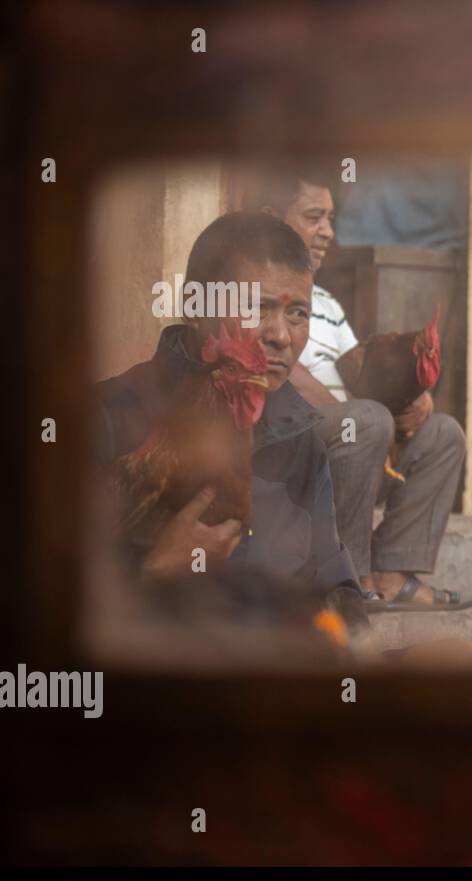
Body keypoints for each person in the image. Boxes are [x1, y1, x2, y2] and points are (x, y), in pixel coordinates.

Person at [94, 212, 365, 626]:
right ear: (194, 305)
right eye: (257, 307)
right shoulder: (106, 418)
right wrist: (154, 570)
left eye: (298, 314)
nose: (280, 335)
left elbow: (332, 585)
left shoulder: (300, 439)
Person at [243, 169, 470, 611]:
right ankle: (344, 580)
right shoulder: (253, 289)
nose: (328, 231)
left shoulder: (325, 302)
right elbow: (272, 371)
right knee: (365, 421)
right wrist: (368, 419)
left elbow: (360, 380)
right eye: (314, 217)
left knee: (442, 432)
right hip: (290, 452)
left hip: (357, 454)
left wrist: (408, 404)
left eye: (330, 218)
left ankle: (391, 575)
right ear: (273, 217)